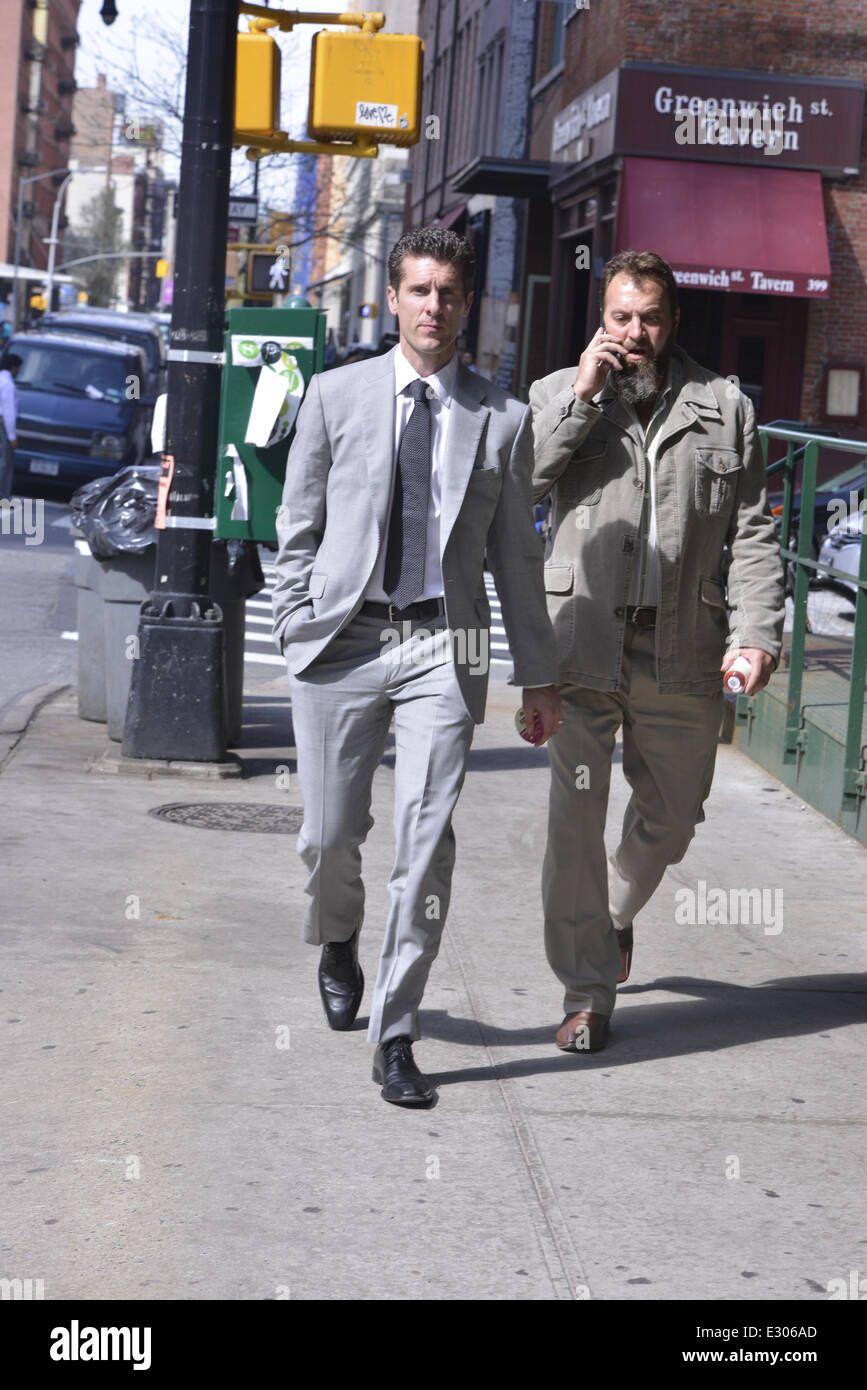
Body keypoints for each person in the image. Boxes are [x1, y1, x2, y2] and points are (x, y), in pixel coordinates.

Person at [272, 227, 561, 1106]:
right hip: (343, 635)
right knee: (328, 838)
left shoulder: (502, 419)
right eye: (418, 289)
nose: (432, 305)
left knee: (425, 846)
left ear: (466, 303)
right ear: (391, 299)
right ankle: (336, 937)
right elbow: (298, 523)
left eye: (447, 292)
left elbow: (514, 557)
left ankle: (395, 1033)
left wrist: (536, 674)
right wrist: (291, 620)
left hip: (445, 641)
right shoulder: (334, 395)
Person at [529, 249, 784, 1054]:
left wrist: (753, 634)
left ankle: (605, 920)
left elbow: (750, 532)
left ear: (671, 324)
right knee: (574, 823)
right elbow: (521, 484)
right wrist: (581, 395)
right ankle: (585, 993)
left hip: (683, 646)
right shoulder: (556, 394)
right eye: (618, 318)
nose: (632, 334)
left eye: (648, 319)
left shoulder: (723, 407)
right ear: (598, 321)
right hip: (578, 642)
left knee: (672, 819)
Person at [0, 353, 22, 499]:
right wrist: (12, 436)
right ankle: (2, 496)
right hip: (2, 425)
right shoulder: (7, 384)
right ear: (14, 367)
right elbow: (8, 412)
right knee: (4, 462)